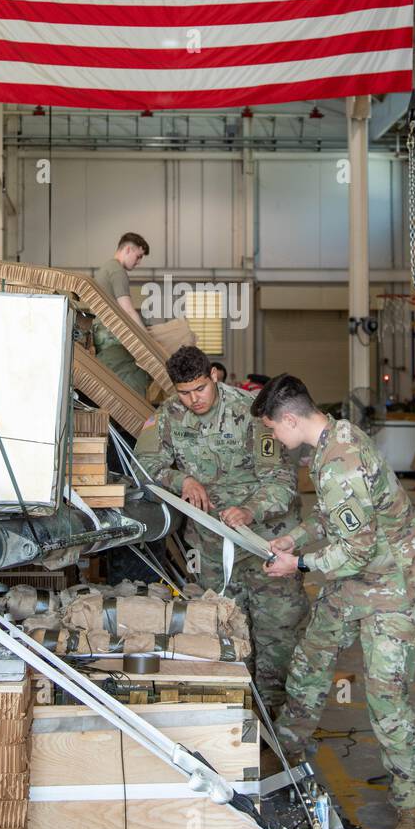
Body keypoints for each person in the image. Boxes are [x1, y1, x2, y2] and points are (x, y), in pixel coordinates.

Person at [250, 373, 415, 829]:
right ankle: (287, 749)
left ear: (291, 419)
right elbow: (337, 519)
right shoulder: (332, 441)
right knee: (310, 658)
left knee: (385, 697)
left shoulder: (340, 461)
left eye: (274, 429)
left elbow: (355, 548)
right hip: (357, 575)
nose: (274, 439)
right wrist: (296, 536)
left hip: (393, 582)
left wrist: (300, 563)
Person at [134, 346, 309, 711]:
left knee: (277, 639)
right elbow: (142, 466)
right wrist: (180, 479)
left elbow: (280, 479)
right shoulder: (168, 416)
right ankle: (237, 725)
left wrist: (249, 509)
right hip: (213, 551)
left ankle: (279, 730)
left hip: (266, 543)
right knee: (225, 637)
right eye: (184, 392)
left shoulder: (252, 413)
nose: (193, 399)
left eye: (200, 388)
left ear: (213, 375)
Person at [92, 233, 151, 397]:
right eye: (138, 256)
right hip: (109, 335)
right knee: (138, 370)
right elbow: (128, 310)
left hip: (101, 332)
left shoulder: (106, 268)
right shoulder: (117, 271)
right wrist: (147, 340)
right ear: (128, 249)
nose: (138, 262)